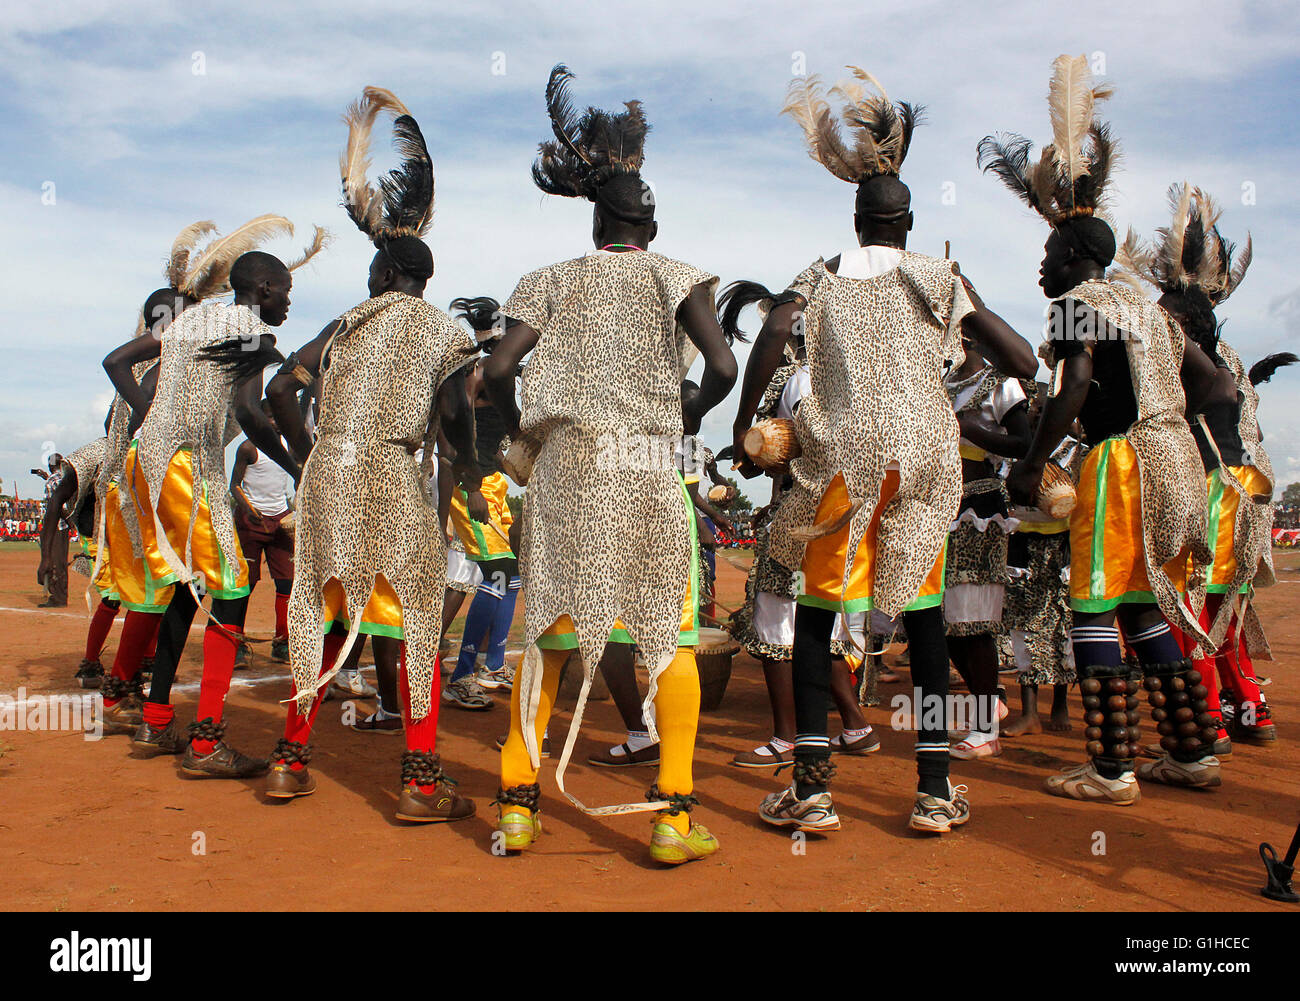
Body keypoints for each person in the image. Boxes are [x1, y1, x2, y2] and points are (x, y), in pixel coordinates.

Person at [733, 66, 1035, 834]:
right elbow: (1025, 359)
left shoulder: (822, 275)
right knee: (927, 621)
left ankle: (812, 786)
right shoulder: (938, 276)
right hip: (926, 463)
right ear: (906, 221)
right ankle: (934, 789)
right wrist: (963, 300)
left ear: (859, 220)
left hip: (843, 459)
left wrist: (746, 429)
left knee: (814, 617)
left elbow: (772, 332)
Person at [484, 65, 737, 864]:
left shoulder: (548, 281)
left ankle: (517, 808)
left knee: (551, 639)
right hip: (646, 470)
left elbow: (495, 372)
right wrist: (679, 418)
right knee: (669, 643)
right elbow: (725, 371)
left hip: (565, 471)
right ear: (648, 226)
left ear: (596, 224)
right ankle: (671, 819)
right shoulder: (675, 275)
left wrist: (523, 431)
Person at [981, 55, 1221, 804]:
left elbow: (1077, 382)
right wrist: (1174, 429)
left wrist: (1032, 458)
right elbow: (1211, 382)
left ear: (1078, 256)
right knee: (1144, 604)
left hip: (1123, 465)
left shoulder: (1081, 298)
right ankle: (1189, 753)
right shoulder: (1146, 305)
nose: (1042, 267)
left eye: (1049, 254)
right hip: (1174, 454)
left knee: (1090, 605)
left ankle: (1112, 769)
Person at [256, 88, 479, 822]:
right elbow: (451, 415)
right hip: (391, 469)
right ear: (425, 282)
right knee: (417, 619)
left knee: (315, 616)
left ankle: (289, 763)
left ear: (386, 275)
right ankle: (418, 782)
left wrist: (304, 457)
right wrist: (463, 475)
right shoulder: (446, 332)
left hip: (331, 470)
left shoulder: (348, 322)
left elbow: (285, 384)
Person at [104, 214, 324, 776]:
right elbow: (252, 412)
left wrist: (151, 421)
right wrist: (299, 464)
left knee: (189, 584)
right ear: (266, 288)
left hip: (147, 461)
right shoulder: (250, 329)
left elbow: (120, 365)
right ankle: (206, 744)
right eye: (288, 292)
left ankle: (157, 721)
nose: (289, 303)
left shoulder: (193, 320)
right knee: (229, 589)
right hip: (185, 468)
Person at [1126, 185, 1284, 747]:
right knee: (1224, 608)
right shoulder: (1231, 363)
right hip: (1239, 495)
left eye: (1167, 322)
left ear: (1185, 329)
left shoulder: (1193, 369)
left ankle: (1207, 716)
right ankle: (1249, 711)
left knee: (1186, 607)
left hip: (1209, 497)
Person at [718, 320, 879, 766]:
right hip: (850, 511)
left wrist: (750, 455)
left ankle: (787, 739)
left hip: (803, 514)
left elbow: (777, 451)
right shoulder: (870, 380)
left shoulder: (799, 380)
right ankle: (855, 726)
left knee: (775, 624)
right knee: (819, 622)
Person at [942, 345, 1030, 759]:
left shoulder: (1002, 384)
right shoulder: (940, 385)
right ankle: (987, 703)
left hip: (980, 509)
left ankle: (985, 728)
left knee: (972, 621)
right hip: (941, 507)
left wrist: (968, 429)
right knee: (945, 623)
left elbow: (1023, 444)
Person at [442, 295, 522, 711]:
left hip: (491, 482)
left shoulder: (496, 368)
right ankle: (461, 676)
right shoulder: (475, 370)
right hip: (471, 483)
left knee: (508, 578)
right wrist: (470, 485)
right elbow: (450, 425)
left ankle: (491, 666)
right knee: (498, 575)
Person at [38, 438, 120, 689]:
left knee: (153, 594)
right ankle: (91, 662)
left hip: (132, 536)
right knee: (113, 596)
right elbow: (55, 502)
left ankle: (148, 661)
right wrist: (47, 557)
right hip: (96, 534)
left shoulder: (142, 446)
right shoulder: (91, 455)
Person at [230, 403, 297, 665]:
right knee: (247, 583)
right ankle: (236, 642)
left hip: (280, 521)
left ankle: (282, 642)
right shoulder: (248, 448)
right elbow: (234, 485)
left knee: (287, 583)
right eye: (271, 418)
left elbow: (296, 478)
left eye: (277, 417)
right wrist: (249, 508)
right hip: (251, 521)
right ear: (259, 420)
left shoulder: (288, 446)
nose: (276, 422)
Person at [37, 453, 68, 606]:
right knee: (61, 560)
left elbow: (57, 506)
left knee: (55, 560)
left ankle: (58, 597)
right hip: (63, 526)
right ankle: (61, 594)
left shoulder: (52, 481)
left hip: (54, 526)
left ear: (49, 465)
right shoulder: (64, 478)